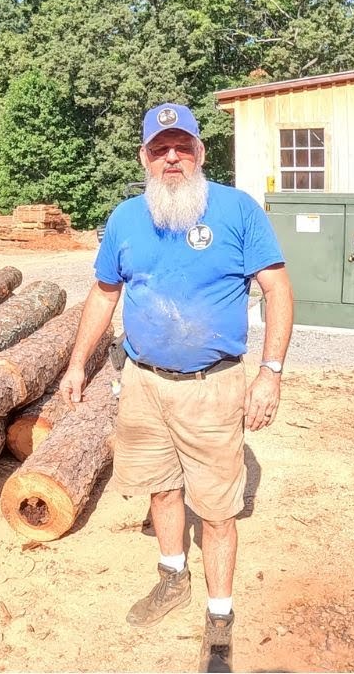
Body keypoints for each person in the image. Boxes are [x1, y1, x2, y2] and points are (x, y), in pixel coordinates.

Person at [59, 103, 293, 671]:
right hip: (141, 384)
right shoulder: (126, 218)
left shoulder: (237, 211)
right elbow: (104, 294)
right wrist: (75, 364)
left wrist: (271, 372)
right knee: (162, 490)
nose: (171, 158)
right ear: (144, 156)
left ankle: (219, 616)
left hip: (213, 388)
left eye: (181, 146)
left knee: (215, 511)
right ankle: (171, 577)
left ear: (199, 153)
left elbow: (278, 291)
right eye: (159, 148)